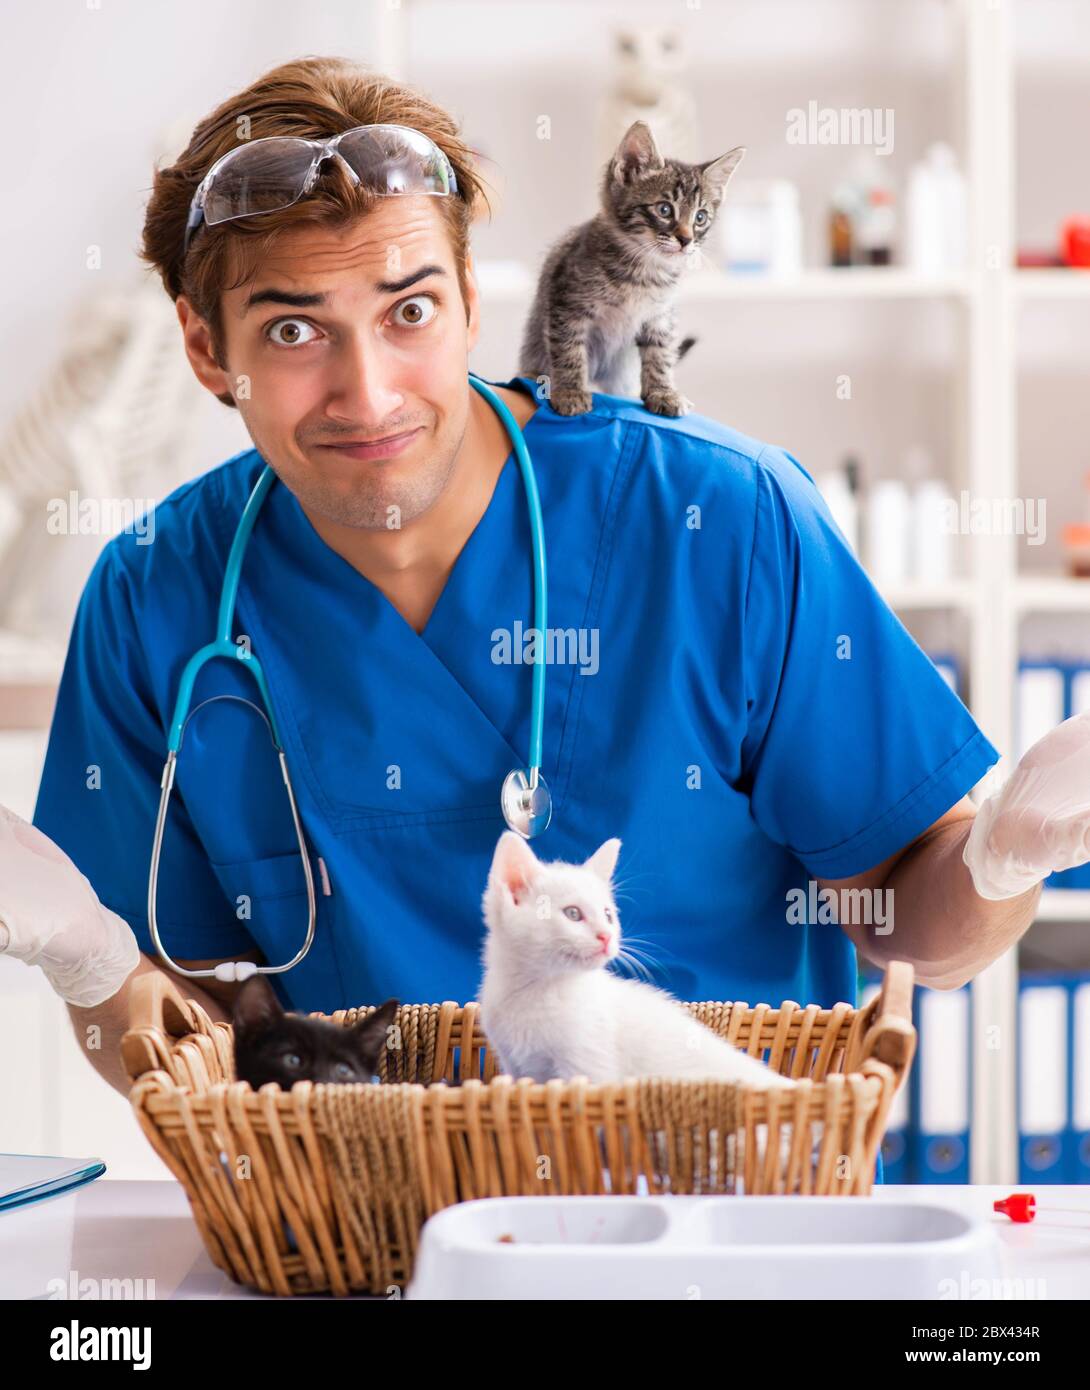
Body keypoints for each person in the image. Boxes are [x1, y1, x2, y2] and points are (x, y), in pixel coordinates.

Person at [12, 58, 1089, 1115]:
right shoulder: (157, 595)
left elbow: (921, 929)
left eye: (409, 310)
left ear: (473, 301)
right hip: (355, 1248)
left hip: (716, 1222)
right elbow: (197, 1041)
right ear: (208, 349)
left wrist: (1000, 857)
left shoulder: (722, 523)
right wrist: (93, 964)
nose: (368, 390)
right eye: (294, 331)